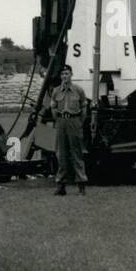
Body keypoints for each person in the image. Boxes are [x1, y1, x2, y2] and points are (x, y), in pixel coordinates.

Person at [48, 64, 88, 196]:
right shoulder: (56, 91)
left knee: (76, 153)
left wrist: (78, 122)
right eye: (63, 74)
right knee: (61, 153)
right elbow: (53, 107)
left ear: (71, 75)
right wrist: (58, 119)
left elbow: (84, 108)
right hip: (61, 122)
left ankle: (81, 184)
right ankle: (61, 185)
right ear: (60, 76)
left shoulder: (78, 90)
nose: (65, 76)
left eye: (67, 74)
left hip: (74, 121)